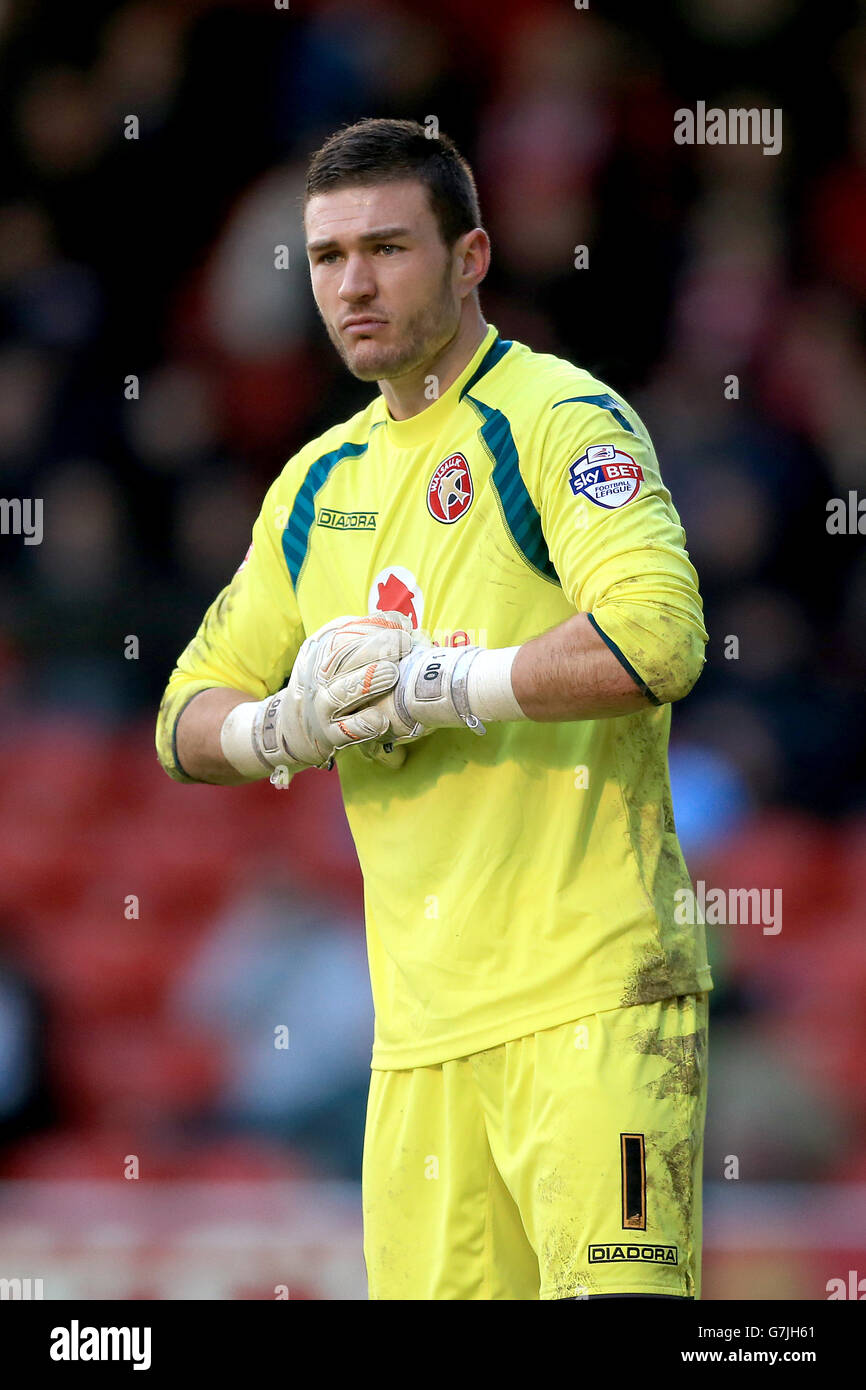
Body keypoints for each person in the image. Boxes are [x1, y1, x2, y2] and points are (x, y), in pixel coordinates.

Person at [155, 117, 712, 1301]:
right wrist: (284, 729)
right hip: (414, 1043)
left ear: (468, 258)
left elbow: (657, 641)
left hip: (593, 1002)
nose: (352, 283)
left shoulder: (560, 421)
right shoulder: (316, 484)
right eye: (326, 257)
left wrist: (437, 685)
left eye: (387, 248)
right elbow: (180, 718)